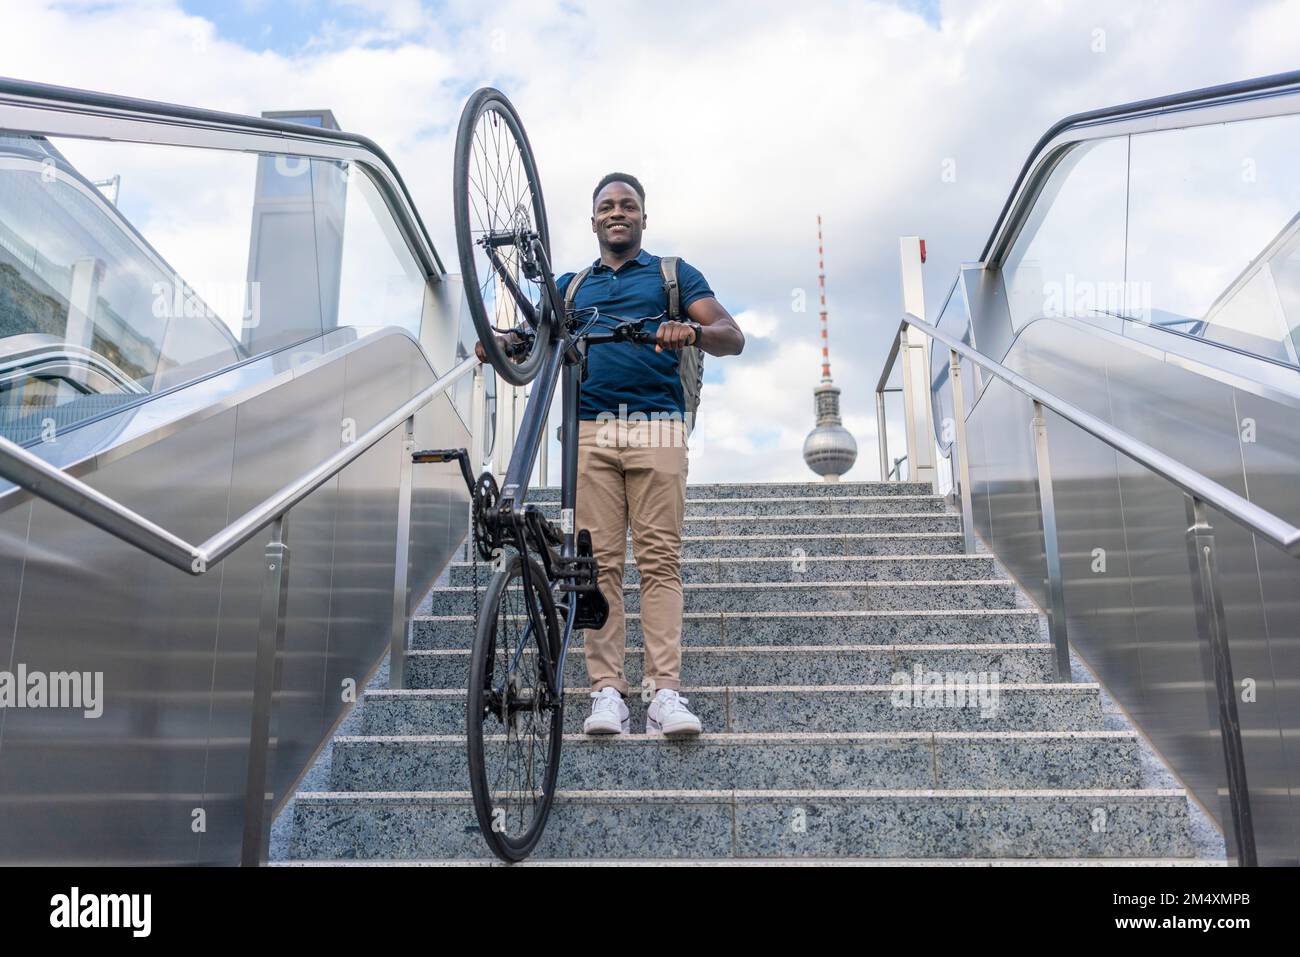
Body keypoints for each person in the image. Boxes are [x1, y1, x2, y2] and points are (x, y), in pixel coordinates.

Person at [477, 171, 744, 737]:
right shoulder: (572, 287)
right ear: (594, 219)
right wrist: (500, 345)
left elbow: (730, 334)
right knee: (595, 566)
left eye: (628, 205)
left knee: (659, 560)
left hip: (659, 427)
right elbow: (535, 342)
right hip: (590, 432)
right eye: (606, 206)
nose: (616, 212)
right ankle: (607, 693)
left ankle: (664, 693)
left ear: (644, 218)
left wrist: (689, 333)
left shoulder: (673, 274)